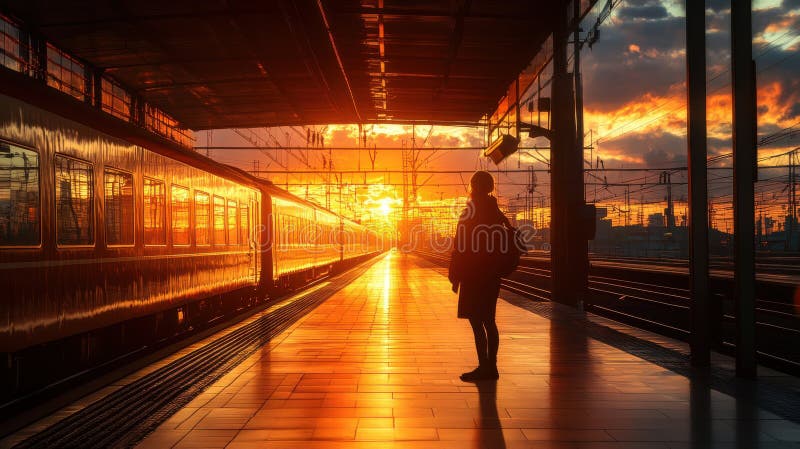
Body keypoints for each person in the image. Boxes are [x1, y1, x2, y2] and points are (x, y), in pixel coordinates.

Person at [448, 170, 510, 381]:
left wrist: (455, 276)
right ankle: (491, 367)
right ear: (490, 187)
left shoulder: (470, 211)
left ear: (473, 187)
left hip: (473, 275)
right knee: (489, 321)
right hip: (492, 275)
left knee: (476, 321)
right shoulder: (496, 211)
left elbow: (460, 246)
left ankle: (484, 367)